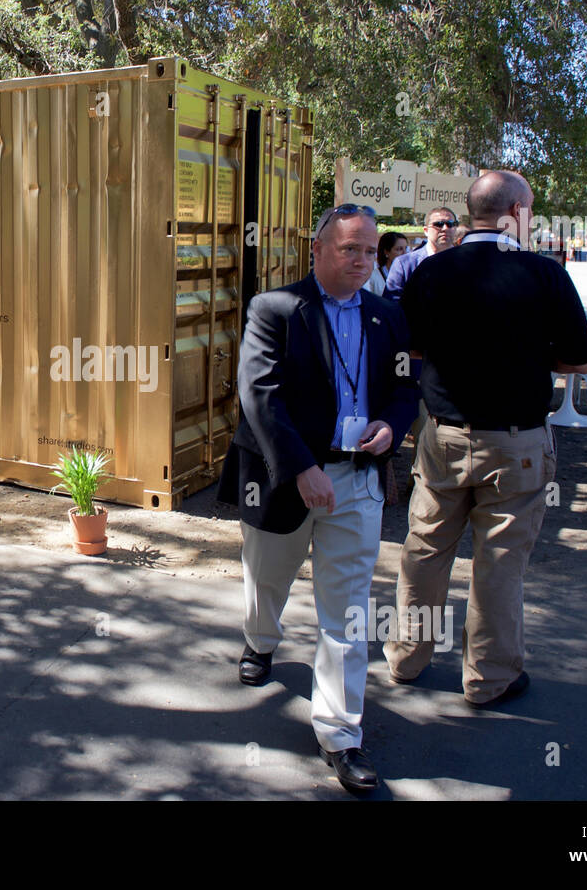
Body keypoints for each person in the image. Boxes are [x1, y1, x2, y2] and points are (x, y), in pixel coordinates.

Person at [216, 203, 419, 795]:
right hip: (286, 476)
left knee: (348, 610)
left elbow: (406, 386)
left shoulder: (389, 317)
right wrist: (301, 466)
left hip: (356, 479)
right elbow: (259, 395)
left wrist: (393, 424)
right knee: (266, 579)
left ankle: (341, 733)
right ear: (318, 248)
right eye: (348, 248)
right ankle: (260, 640)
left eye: (369, 249)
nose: (361, 260)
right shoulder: (275, 308)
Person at [382, 170, 587, 706]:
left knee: (425, 550)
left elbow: (412, 347)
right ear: (517, 212)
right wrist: (527, 356)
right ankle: (488, 677)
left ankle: (407, 657)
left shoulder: (430, 274)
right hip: (516, 442)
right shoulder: (544, 275)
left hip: (443, 436)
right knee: (499, 563)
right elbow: (579, 358)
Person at [383, 207, 458, 302]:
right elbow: (391, 304)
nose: (445, 228)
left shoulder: (466, 263)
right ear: (426, 230)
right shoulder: (404, 264)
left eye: (450, 224)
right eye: (439, 224)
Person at [363, 231, 407, 296]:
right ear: (386, 252)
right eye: (399, 249)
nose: (405, 253)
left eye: (406, 248)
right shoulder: (372, 277)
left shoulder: (409, 275)